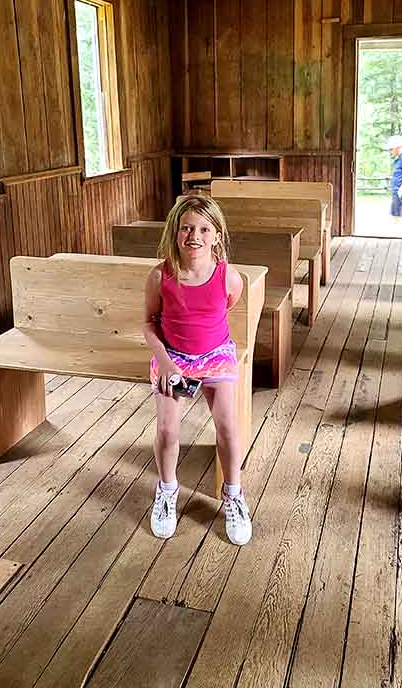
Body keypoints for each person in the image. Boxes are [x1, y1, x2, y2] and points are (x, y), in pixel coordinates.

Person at [142, 194, 252, 545]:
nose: (195, 235)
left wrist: (206, 351)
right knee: (167, 430)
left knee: (228, 426)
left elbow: (225, 309)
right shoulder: (160, 276)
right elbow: (149, 324)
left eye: (205, 229)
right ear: (175, 232)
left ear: (216, 235)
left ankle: (233, 494)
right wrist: (167, 363)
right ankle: (167, 489)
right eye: (187, 227)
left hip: (216, 355)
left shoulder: (228, 277)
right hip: (172, 357)